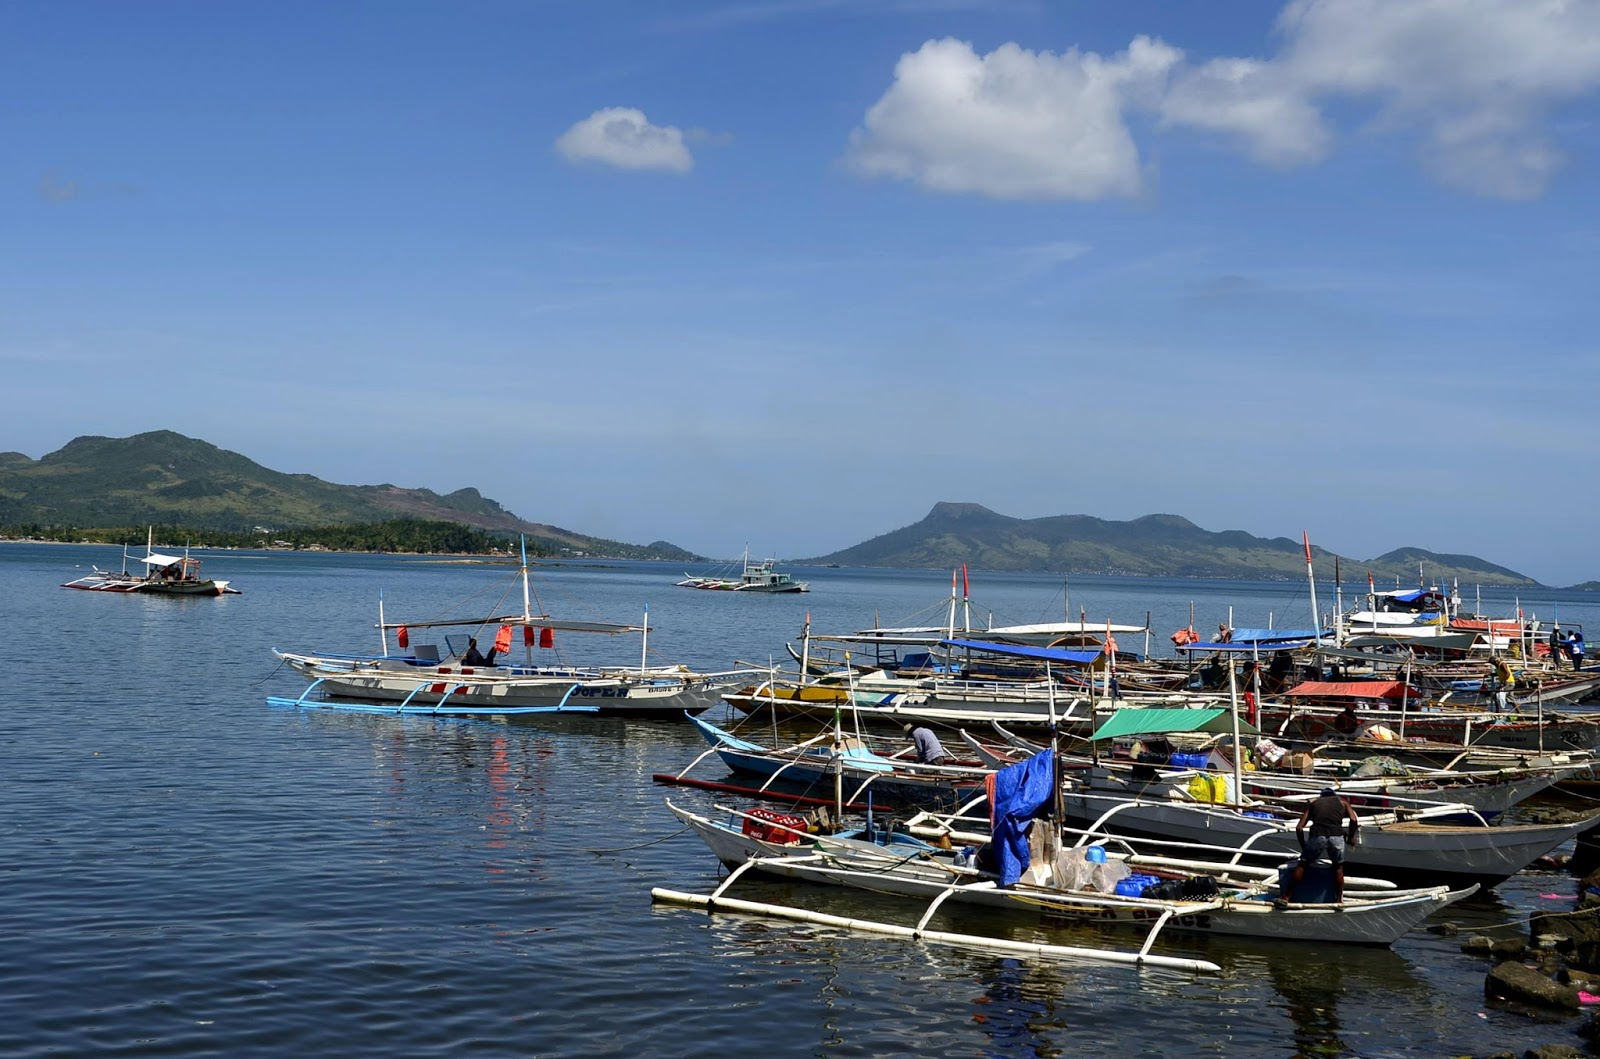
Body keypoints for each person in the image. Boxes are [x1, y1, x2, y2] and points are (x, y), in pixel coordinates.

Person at [1282, 787, 1360, 904]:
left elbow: (1299, 828)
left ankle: (1286, 897)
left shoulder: (1315, 803)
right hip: (1337, 836)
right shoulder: (1342, 801)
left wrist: (1304, 846)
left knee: (1303, 865)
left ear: (1321, 796)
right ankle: (1339, 900)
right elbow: (1353, 819)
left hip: (1318, 835)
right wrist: (1351, 837)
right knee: (1338, 868)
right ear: (1334, 795)